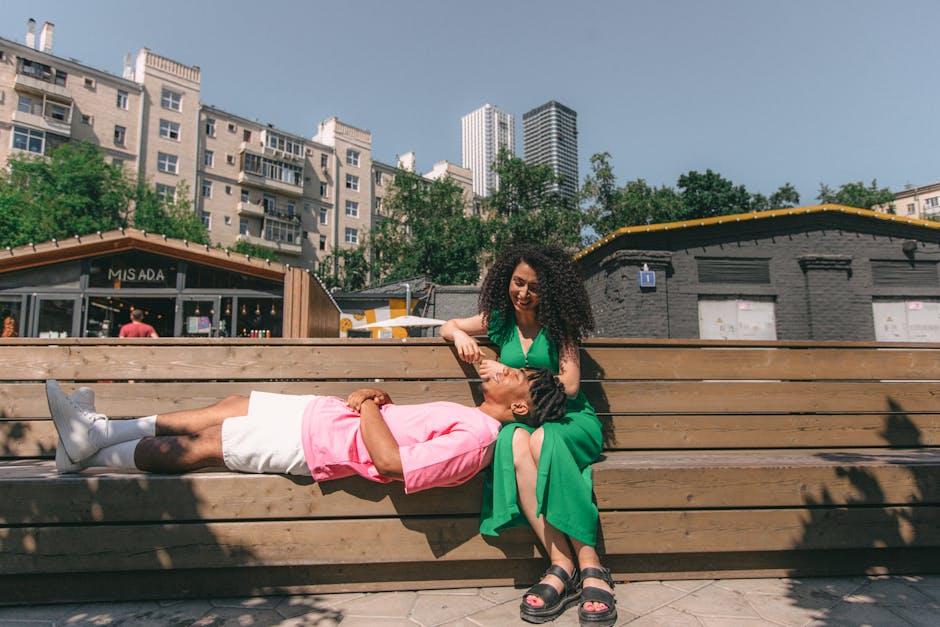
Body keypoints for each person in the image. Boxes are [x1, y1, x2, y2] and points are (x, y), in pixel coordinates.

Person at [46, 366, 567, 497]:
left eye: (513, 375)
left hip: (313, 443)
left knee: (206, 446)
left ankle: (88, 454)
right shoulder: (474, 418)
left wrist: (367, 403)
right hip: (321, 415)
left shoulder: (477, 440)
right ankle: (99, 430)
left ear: (520, 406)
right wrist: (373, 405)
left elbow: (391, 465)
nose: (501, 369)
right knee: (227, 407)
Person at [441, 243, 615, 626]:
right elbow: (447, 325)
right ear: (508, 280)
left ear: (547, 291)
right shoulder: (499, 320)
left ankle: (590, 564)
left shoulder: (560, 327)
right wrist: (459, 337)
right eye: (518, 283)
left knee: (542, 439)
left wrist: (503, 368)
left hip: (570, 420)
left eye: (533, 287)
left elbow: (569, 385)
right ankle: (560, 562)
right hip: (523, 420)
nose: (523, 293)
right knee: (511, 441)